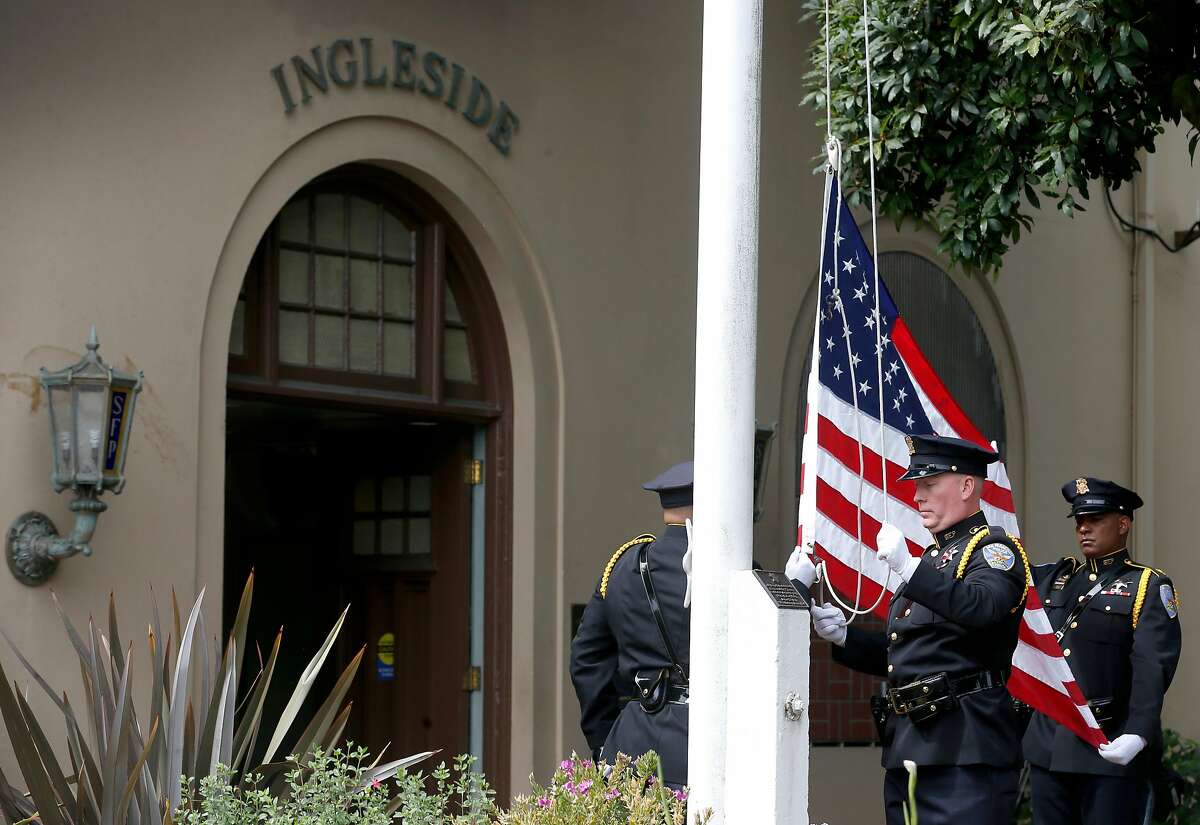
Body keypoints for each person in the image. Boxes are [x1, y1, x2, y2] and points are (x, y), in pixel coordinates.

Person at [789, 434, 1028, 825]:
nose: (917, 496)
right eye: (917, 485)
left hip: (965, 751)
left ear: (967, 486)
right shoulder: (934, 560)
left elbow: (982, 609)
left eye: (930, 484)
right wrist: (846, 637)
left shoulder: (994, 552)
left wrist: (911, 569)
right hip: (910, 747)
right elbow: (907, 651)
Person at [1023, 477, 1181, 824]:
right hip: (1049, 745)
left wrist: (1139, 732)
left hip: (1107, 743)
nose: (1084, 529)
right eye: (1080, 521)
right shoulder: (1057, 578)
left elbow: (1151, 666)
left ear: (1123, 524)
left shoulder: (1146, 586)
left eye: (1095, 520)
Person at [569, 460, 693, 787]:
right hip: (702, 745)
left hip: (631, 743)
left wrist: (604, 741)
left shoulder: (624, 565)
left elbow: (586, 657)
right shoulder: (731, 569)